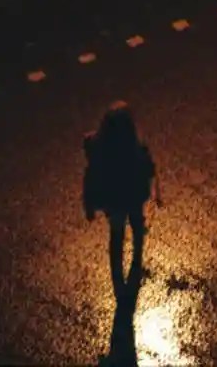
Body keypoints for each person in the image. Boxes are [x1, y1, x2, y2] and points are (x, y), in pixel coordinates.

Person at [83, 101, 162, 293]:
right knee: (136, 224)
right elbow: (150, 169)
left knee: (116, 235)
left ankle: (118, 278)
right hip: (133, 197)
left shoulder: (97, 147)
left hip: (114, 202)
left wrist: (89, 206)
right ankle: (136, 261)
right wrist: (156, 193)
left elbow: (90, 177)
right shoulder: (136, 148)